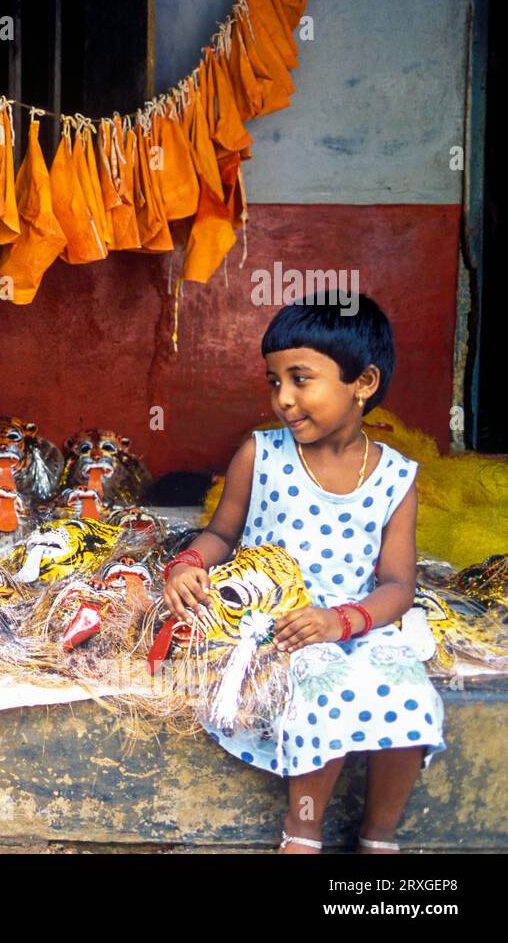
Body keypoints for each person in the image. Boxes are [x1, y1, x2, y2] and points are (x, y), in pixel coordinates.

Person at [161, 293, 444, 854]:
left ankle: (379, 839)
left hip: (352, 622)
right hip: (273, 622)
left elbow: (397, 586)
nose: (283, 400)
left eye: (300, 379)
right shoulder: (261, 454)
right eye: (274, 382)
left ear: (362, 382)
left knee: (413, 696)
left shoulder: (395, 478)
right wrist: (188, 562)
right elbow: (222, 534)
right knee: (321, 692)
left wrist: (343, 621)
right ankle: (303, 832)